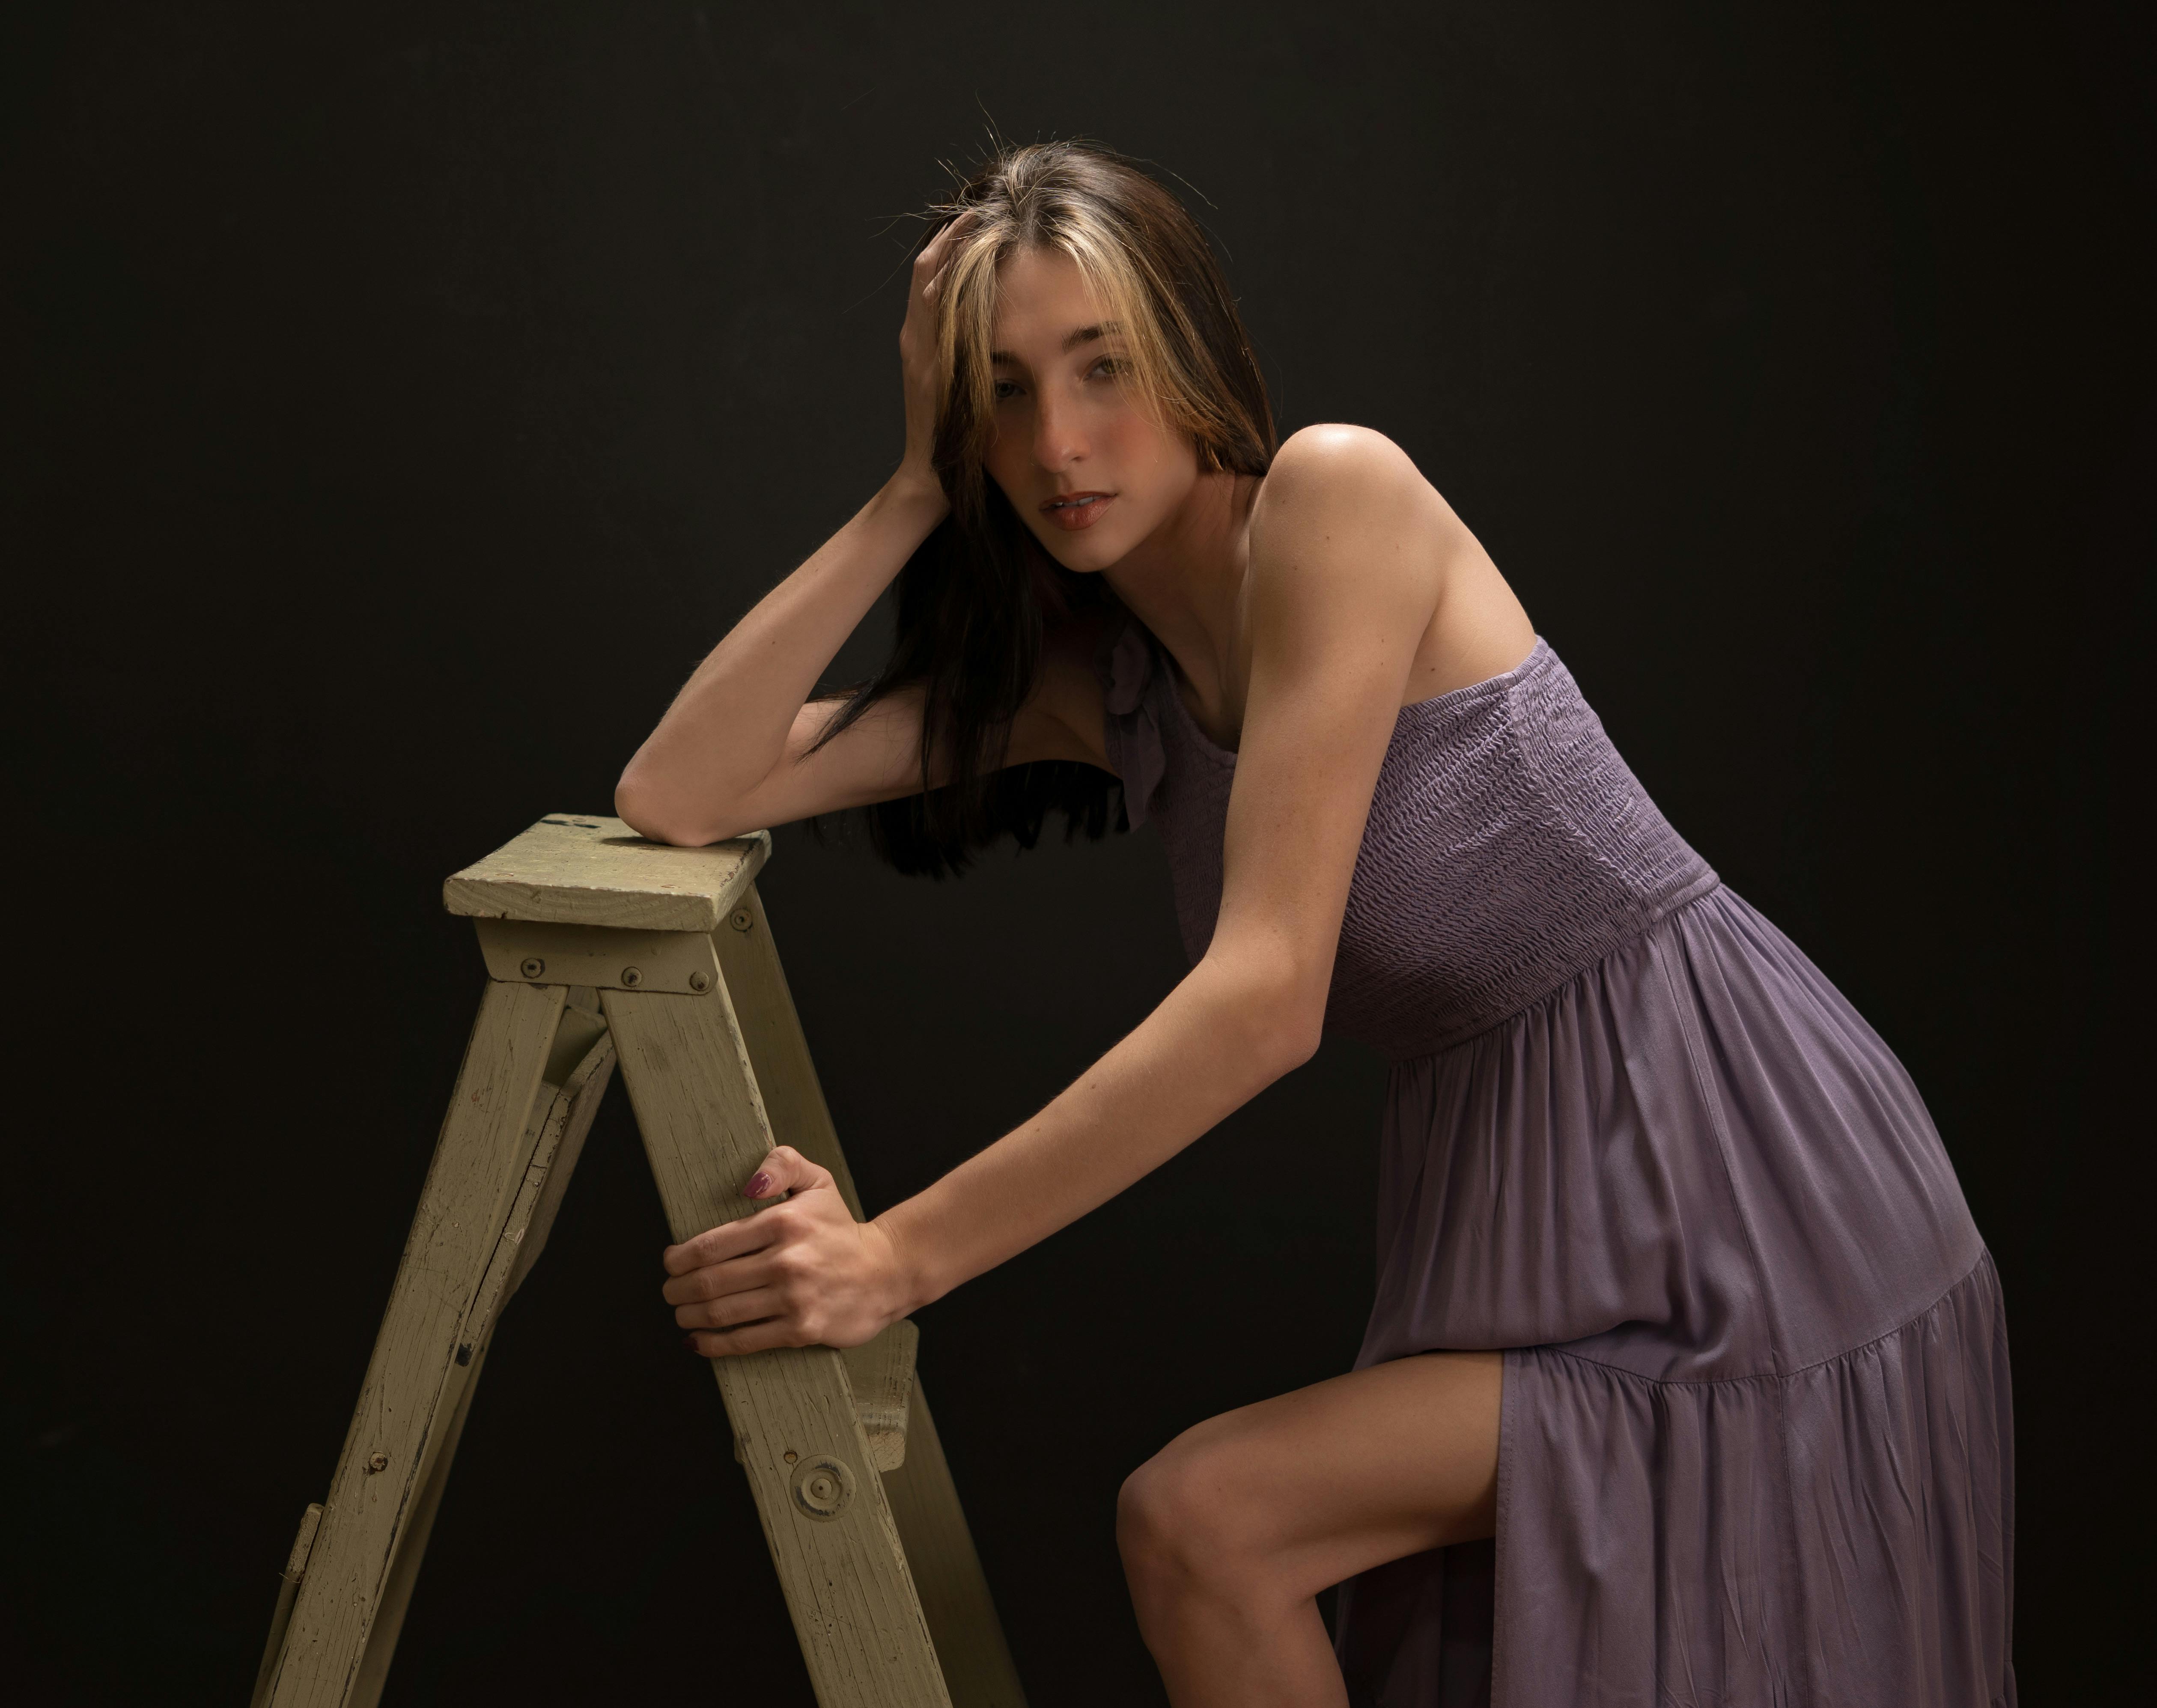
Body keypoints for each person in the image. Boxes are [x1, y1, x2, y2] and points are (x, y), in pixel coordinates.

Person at [614, 141, 2014, 1708]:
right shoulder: (1110, 686)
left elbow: (1265, 997)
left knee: (1206, 1524)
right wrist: (913, 492)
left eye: (1103, 367)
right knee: (1219, 1536)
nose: (1058, 441)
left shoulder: (1340, 499)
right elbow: (683, 787)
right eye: (1002, 394)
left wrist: (893, 1259)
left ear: (1193, 357)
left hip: (1750, 1190)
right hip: (1540, 1209)